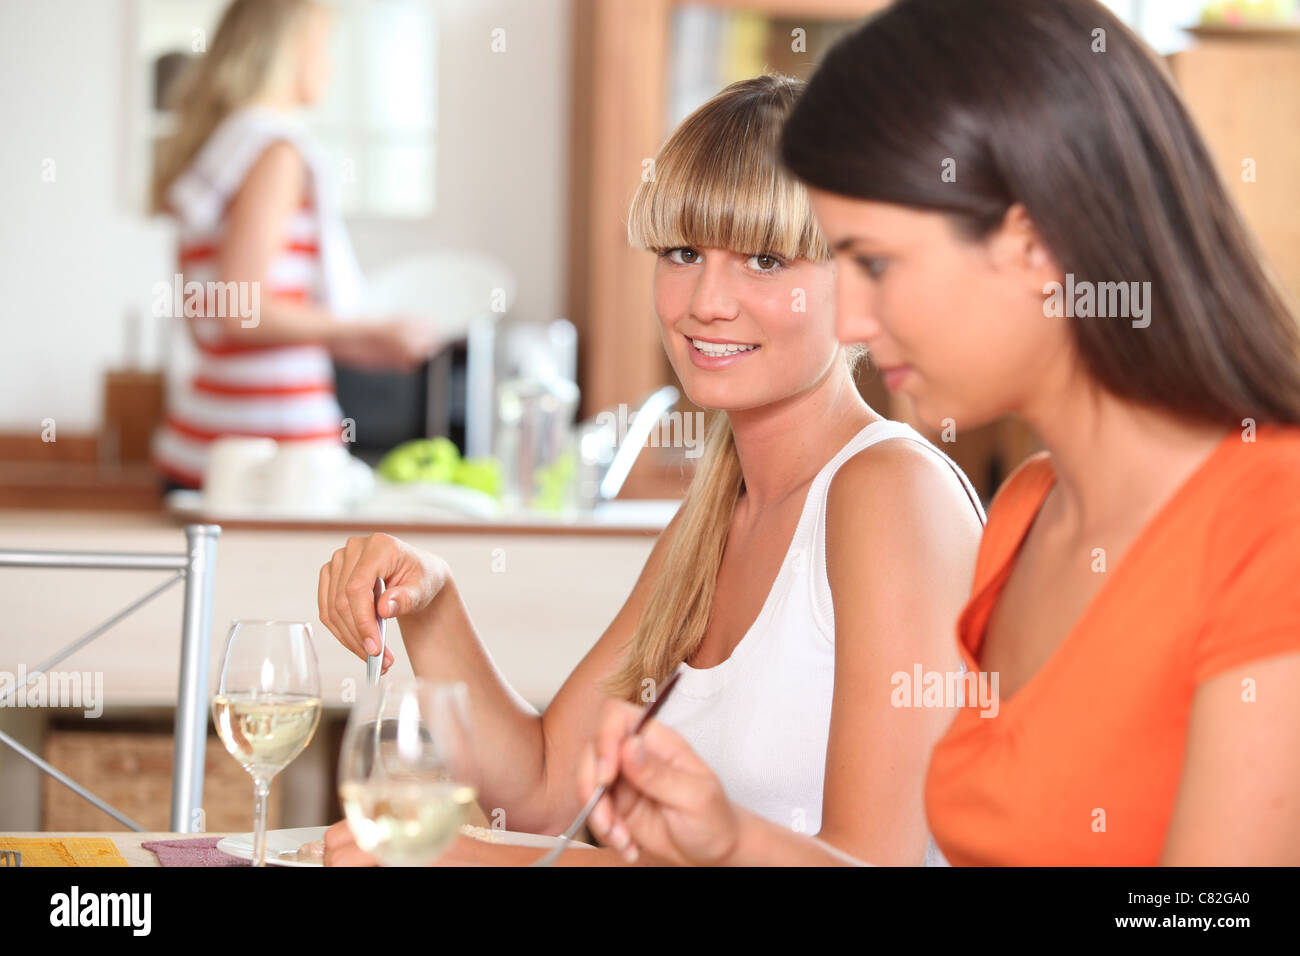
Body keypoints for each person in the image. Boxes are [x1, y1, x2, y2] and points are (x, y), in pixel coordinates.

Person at [579, 0, 1300, 866]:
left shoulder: (1268, 517)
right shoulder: (1027, 516)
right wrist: (733, 846)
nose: (849, 310)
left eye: (875, 263)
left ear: (1032, 247)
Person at [318, 75, 984, 866]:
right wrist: (430, 601)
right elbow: (535, 791)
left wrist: (451, 858)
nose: (706, 300)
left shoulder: (892, 495)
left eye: (765, 260)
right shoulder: (714, 521)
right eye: (683, 252)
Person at [150, 0, 440, 490]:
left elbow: (215, 324)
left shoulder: (216, 152)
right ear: (286, 50)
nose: (330, 64)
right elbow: (242, 312)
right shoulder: (275, 151)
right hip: (272, 462)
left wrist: (360, 344)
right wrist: (366, 328)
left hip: (201, 442)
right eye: (322, 46)